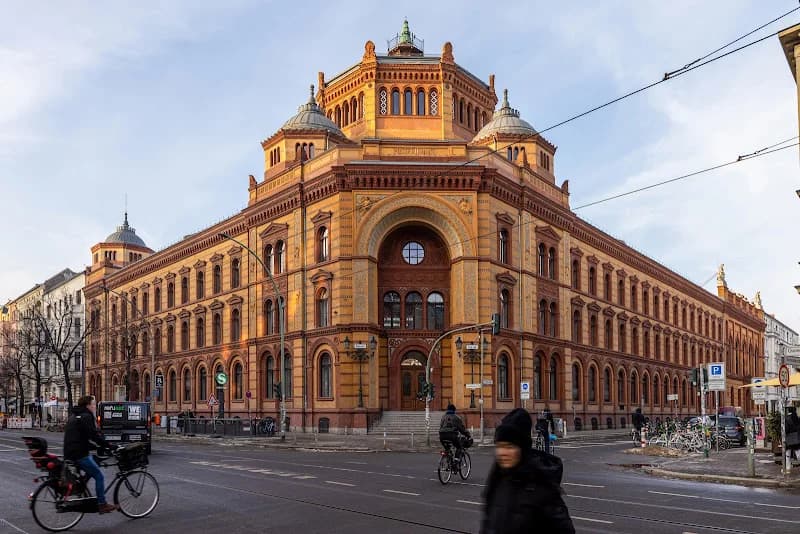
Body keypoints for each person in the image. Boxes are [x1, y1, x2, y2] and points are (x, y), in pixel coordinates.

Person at [482, 408, 575, 534]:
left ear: (522, 449)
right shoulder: (496, 479)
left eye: (509, 447)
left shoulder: (541, 486)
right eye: (499, 446)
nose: (503, 453)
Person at [63, 396, 118, 513]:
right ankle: (102, 504)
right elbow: (94, 436)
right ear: (87, 405)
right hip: (79, 454)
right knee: (99, 476)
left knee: (95, 460)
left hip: (69, 452)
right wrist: (109, 446)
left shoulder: (74, 415)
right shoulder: (87, 416)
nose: (94, 406)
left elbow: (80, 436)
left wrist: (95, 446)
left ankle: (82, 485)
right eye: (93, 404)